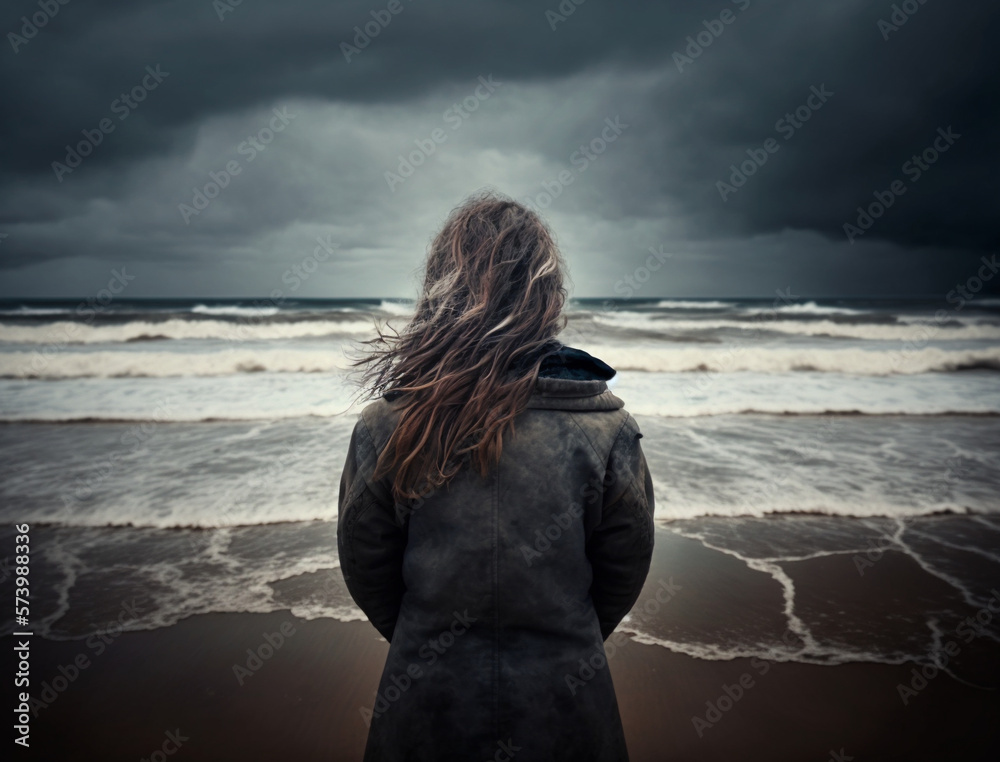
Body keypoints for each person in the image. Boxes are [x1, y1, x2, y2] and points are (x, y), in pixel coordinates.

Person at [338, 191, 655, 761]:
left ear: (442, 287)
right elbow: (623, 568)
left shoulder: (387, 424)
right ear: (545, 293)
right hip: (568, 709)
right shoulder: (605, 428)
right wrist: (562, 643)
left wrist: (429, 644)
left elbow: (367, 567)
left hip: (424, 708)